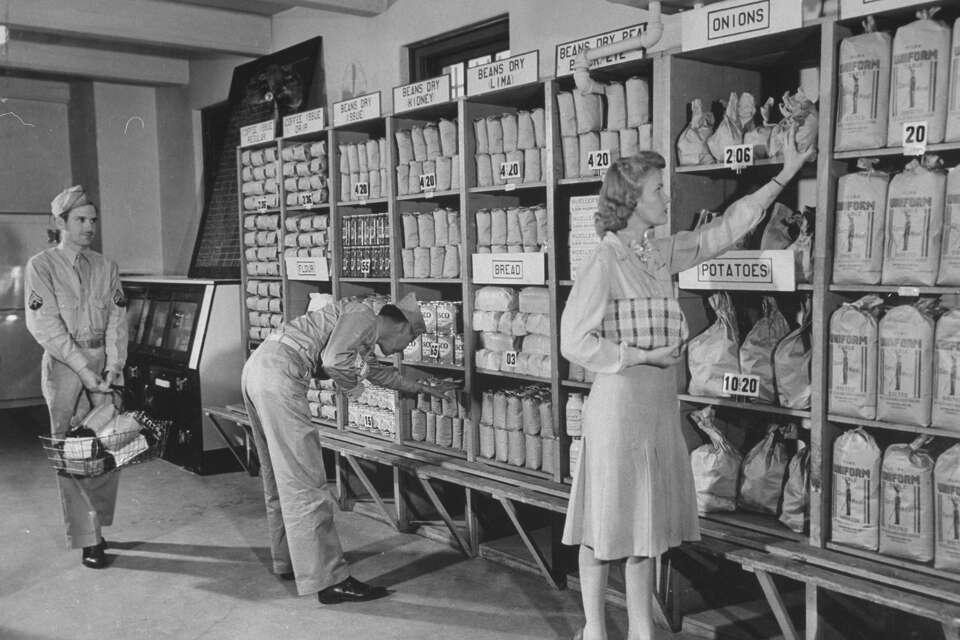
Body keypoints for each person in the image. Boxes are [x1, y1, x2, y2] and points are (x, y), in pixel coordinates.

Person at [560, 126, 813, 640]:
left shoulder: (658, 254)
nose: (667, 196)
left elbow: (722, 230)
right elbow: (573, 340)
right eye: (657, 189)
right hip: (619, 407)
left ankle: (639, 630)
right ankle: (593, 629)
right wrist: (640, 354)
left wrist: (786, 172)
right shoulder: (605, 259)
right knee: (602, 525)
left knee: (642, 531)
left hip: (655, 409)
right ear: (630, 199)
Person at [241, 292, 456, 604]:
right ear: (401, 328)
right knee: (307, 482)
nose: (406, 348)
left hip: (259, 369)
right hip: (280, 376)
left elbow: (372, 370)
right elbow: (334, 362)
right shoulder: (364, 317)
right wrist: (354, 391)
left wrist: (419, 386)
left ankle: (290, 561)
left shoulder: (362, 328)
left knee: (279, 476)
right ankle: (330, 582)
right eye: (411, 339)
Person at [25, 185, 128, 570]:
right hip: (65, 367)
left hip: (103, 366)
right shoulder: (42, 266)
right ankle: (89, 540)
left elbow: (118, 322)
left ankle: (97, 526)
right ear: (61, 222)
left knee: (107, 445)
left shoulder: (106, 267)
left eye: (93, 220)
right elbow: (46, 326)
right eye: (81, 220)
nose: (89, 227)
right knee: (70, 451)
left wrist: (113, 368)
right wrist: (86, 372)